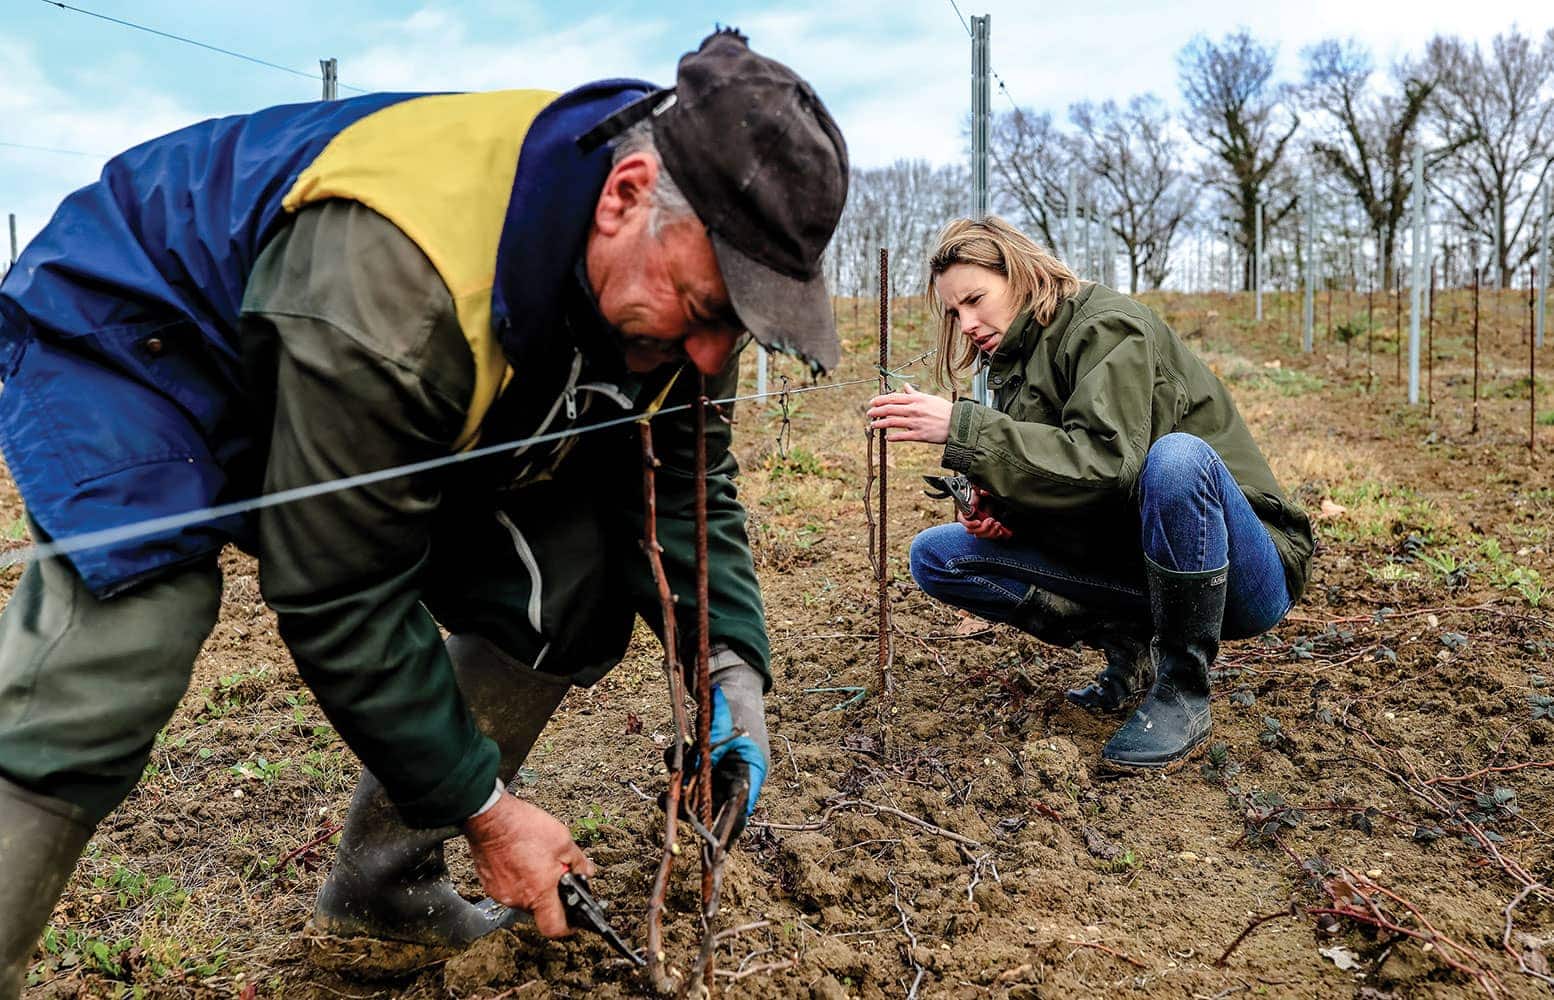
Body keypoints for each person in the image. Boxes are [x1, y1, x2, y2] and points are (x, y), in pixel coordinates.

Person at [0, 29, 848, 994]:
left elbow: (684, 482)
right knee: (125, 633)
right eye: (703, 308)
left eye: (732, 326)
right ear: (625, 197)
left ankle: (382, 896)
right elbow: (340, 589)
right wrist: (487, 810)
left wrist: (728, 672)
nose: (710, 353)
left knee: (565, 578)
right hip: (147, 329)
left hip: (354, 369)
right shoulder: (399, 277)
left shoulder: (687, 287)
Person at [867, 217, 1312, 771]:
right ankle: (1130, 647)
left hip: (1246, 570)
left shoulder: (1107, 327)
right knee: (940, 556)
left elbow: (1106, 467)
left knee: (1177, 459)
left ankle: (1184, 689)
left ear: (1020, 273)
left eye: (976, 299)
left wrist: (963, 428)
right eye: (955, 313)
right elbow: (1073, 487)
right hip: (1145, 562)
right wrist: (1004, 511)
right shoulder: (1017, 364)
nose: (967, 324)